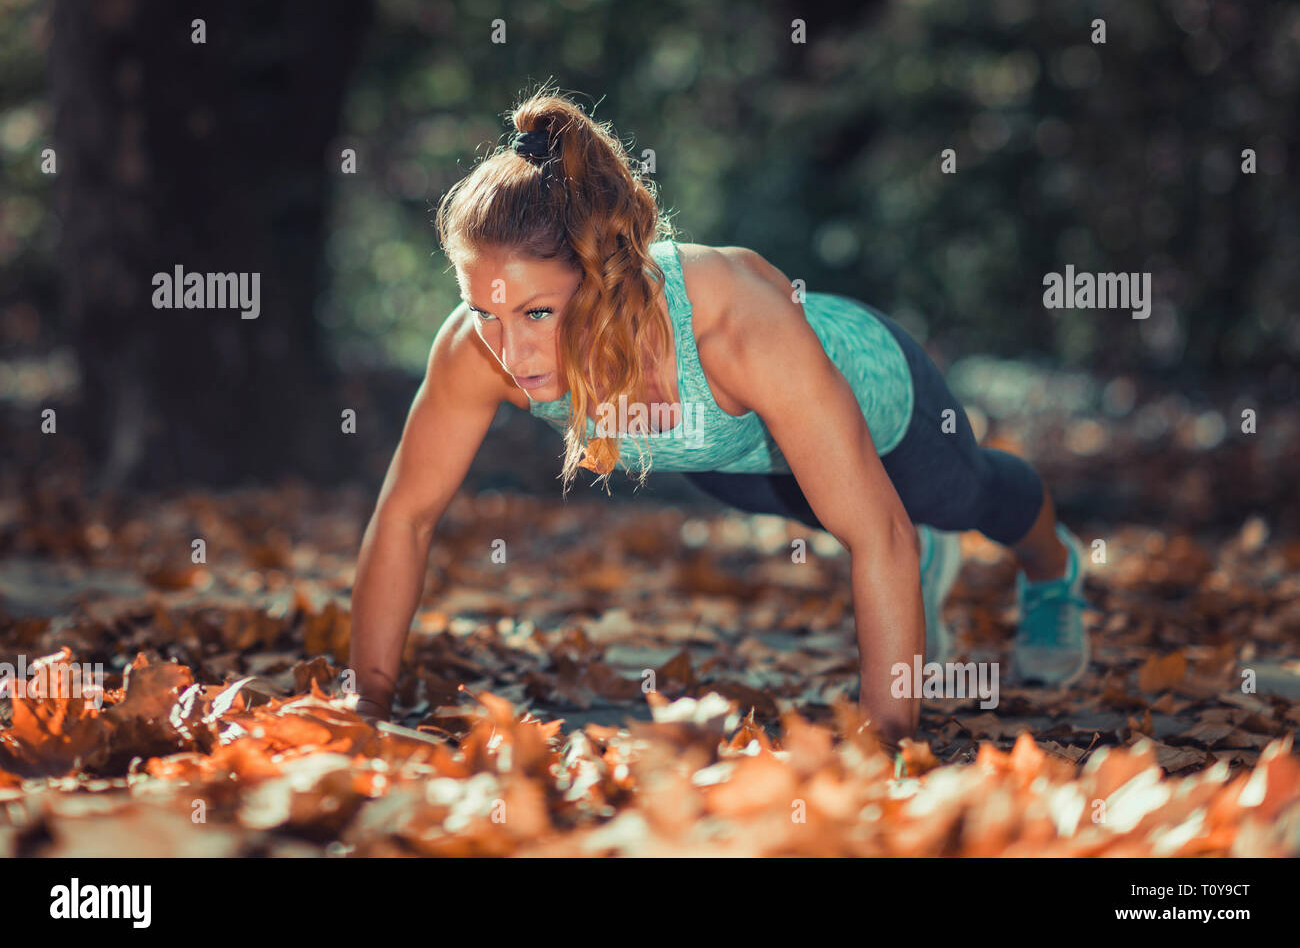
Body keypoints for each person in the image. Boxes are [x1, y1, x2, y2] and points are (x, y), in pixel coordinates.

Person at [347, 85, 1092, 749]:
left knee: (954, 500)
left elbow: (878, 533)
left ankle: (1054, 571)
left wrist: (884, 742)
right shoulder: (474, 348)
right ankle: (925, 573)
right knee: (841, 514)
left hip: (881, 398)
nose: (508, 349)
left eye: (538, 312)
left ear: (601, 282)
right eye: (484, 310)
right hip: (734, 459)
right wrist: (369, 707)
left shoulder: (732, 322)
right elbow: (405, 517)